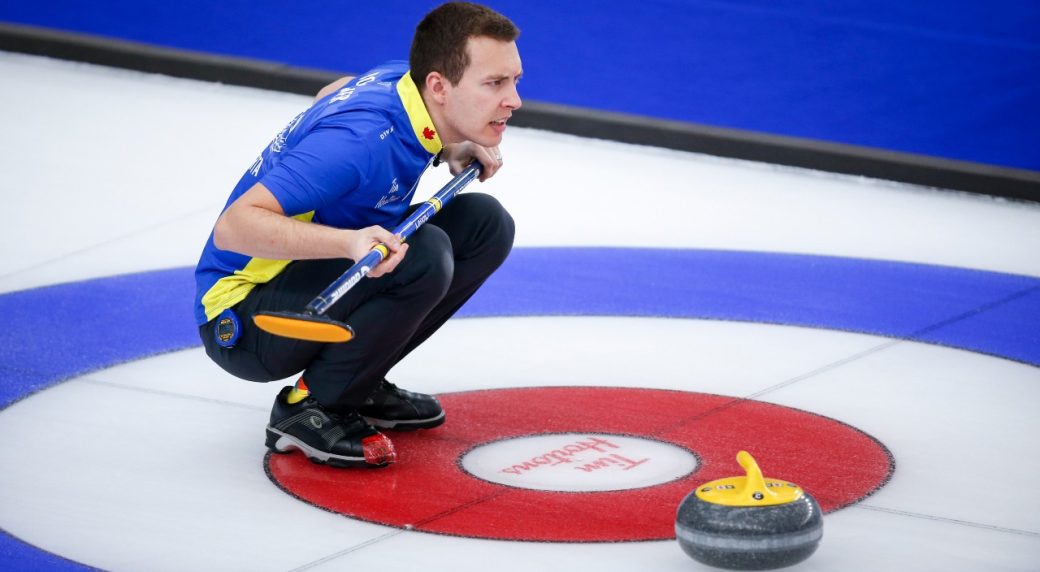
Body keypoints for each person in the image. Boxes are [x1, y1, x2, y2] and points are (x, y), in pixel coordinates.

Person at [193, 2, 522, 468]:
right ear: (439, 86)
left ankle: (356, 383)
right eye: (494, 84)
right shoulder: (358, 143)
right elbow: (232, 228)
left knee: (484, 224)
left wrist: (450, 142)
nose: (514, 100)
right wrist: (347, 243)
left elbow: (336, 90)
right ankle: (309, 407)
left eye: (513, 81)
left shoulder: (402, 83)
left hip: (297, 277)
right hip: (244, 321)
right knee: (423, 253)